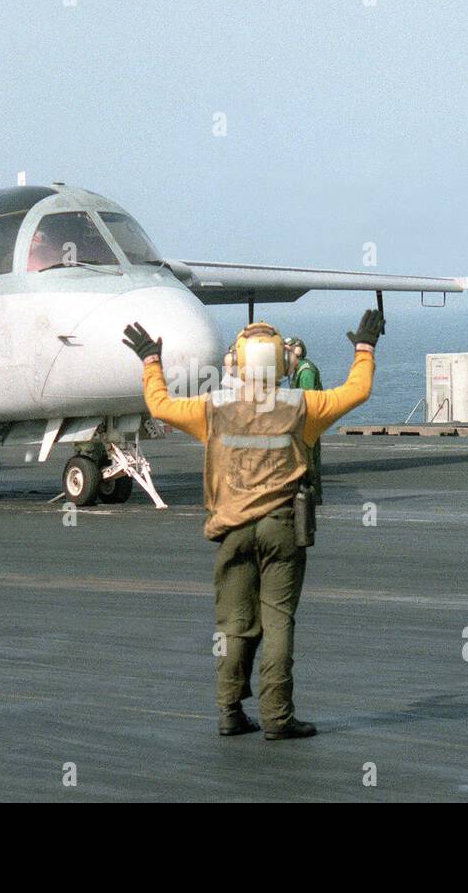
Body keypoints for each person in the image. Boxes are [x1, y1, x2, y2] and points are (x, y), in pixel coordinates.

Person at [122, 311, 384, 740]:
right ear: (283, 363)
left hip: (232, 528)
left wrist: (151, 361)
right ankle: (278, 719)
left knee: (234, 625)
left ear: (236, 364)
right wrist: (365, 349)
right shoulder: (303, 406)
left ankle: (229, 713)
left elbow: (160, 406)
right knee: (278, 621)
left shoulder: (213, 409)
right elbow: (358, 390)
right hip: (282, 527)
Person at [284, 337, 324, 503]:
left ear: (296, 352)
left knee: (309, 460)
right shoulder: (298, 370)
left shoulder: (305, 371)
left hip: (308, 423)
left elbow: (307, 400)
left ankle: (312, 495)